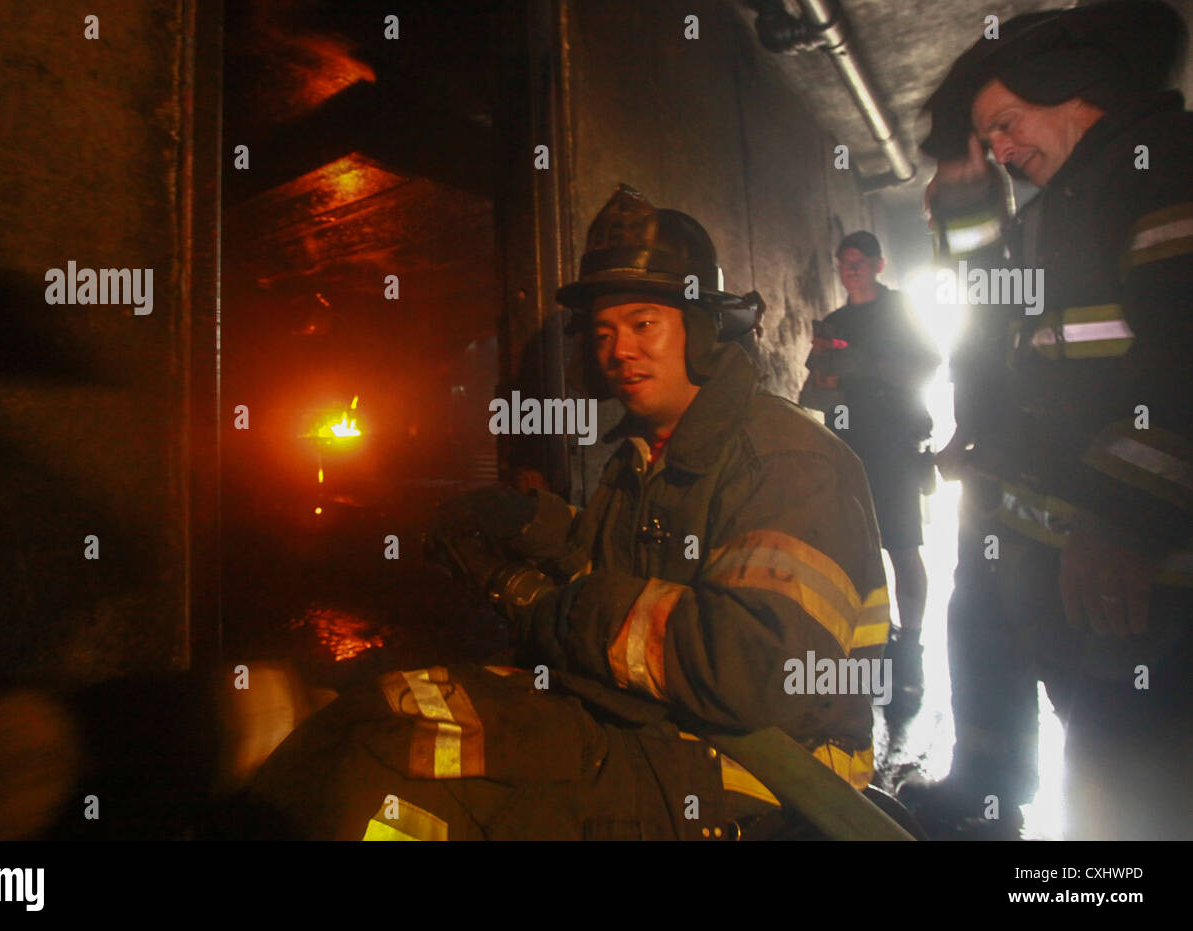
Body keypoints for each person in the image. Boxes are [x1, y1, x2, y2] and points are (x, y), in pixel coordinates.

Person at [242, 184, 891, 840]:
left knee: (394, 785)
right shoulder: (640, 458)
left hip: (770, 778)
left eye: (643, 324)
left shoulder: (789, 461)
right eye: (604, 332)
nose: (619, 351)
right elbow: (616, 566)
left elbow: (755, 669)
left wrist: (553, 609)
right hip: (658, 725)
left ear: (701, 328)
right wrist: (530, 526)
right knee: (381, 720)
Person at [902, 0, 1193, 840]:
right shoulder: (1064, 200)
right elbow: (993, 322)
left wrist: (1124, 515)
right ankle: (982, 801)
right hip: (1036, 547)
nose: (1001, 148)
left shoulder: (1160, 164)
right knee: (996, 671)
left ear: (1079, 90)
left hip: (1133, 576)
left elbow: (1185, 354)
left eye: (1005, 123)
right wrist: (964, 196)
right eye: (987, 137)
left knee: (1128, 791)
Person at [800, 231, 940, 705]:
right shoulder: (835, 320)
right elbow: (814, 390)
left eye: (859, 262)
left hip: (896, 444)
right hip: (849, 444)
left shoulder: (900, 310)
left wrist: (871, 365)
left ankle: (912, 647)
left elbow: (929, 363)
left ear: (879, 265)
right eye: (843, 262)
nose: (850, 269)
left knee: (903, 547)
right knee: (857, 549)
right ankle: (869, 645)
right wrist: (826, 369)